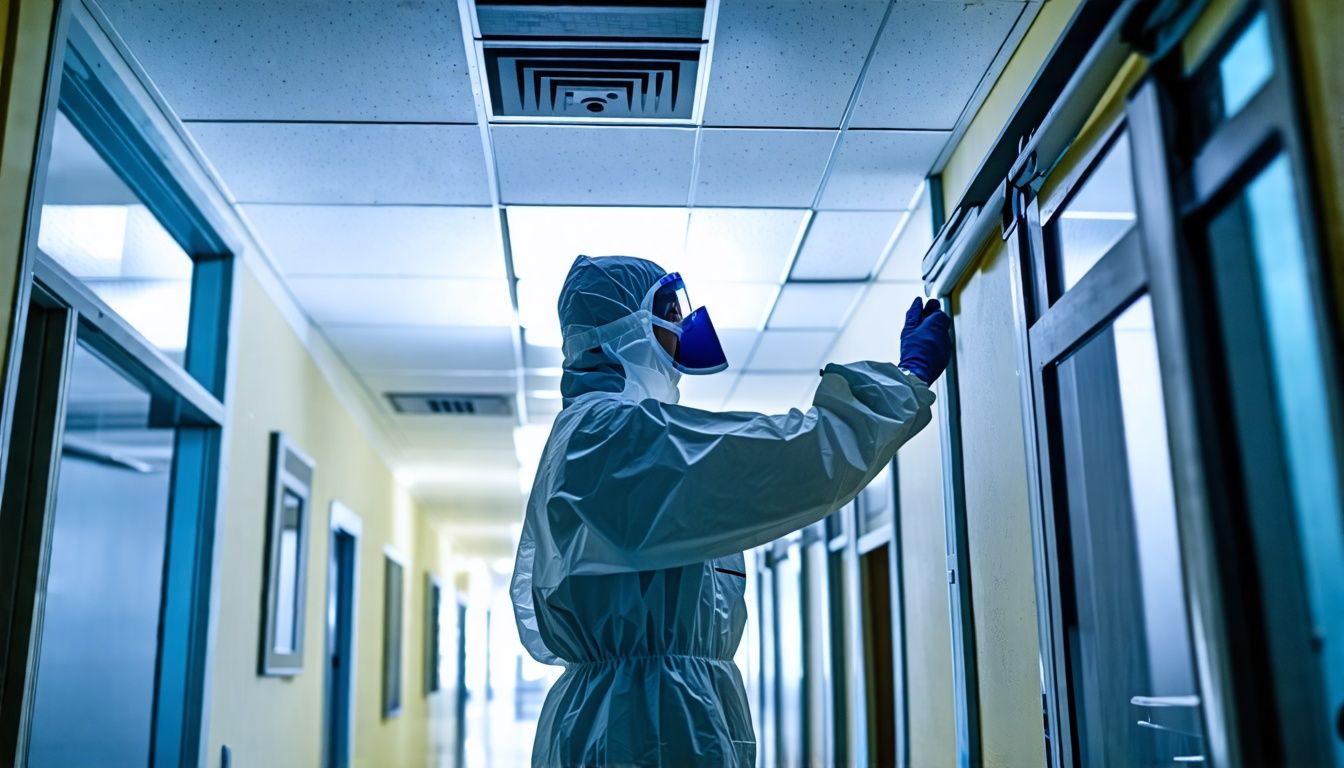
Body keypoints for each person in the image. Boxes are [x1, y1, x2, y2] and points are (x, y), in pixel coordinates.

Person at [511, 255, 952, 767]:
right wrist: (905, 382)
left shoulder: (602, 434)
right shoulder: (612, 439)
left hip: (643, 715)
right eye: (668, 311)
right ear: (626, 326)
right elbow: (787, 460)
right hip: (646, 728)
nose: (680, 327)